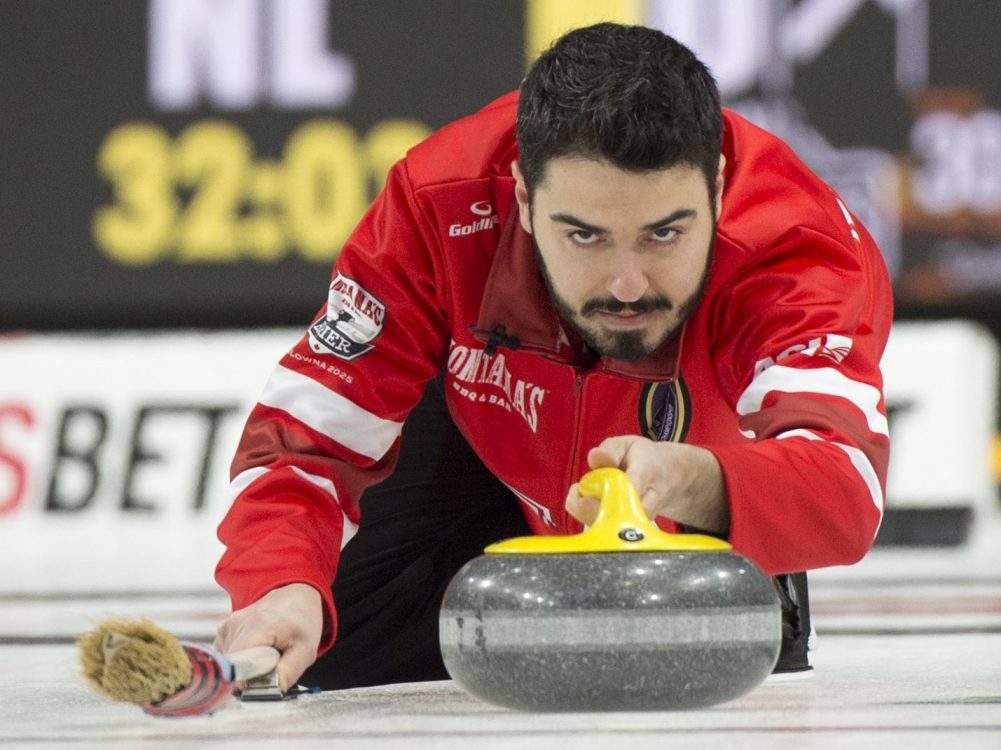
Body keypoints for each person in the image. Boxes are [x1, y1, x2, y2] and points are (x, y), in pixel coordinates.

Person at [213, 22, 892, 693]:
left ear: (715, 187)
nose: (627, 284)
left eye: (664, 234)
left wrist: (691, 481)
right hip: (488, 454)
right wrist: (277, 585)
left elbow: (844, 484)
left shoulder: (796, 244)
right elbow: (305, 441)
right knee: (317, 644)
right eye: (585, 235)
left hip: (695, 502)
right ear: (525, 197)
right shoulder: (438, 202)